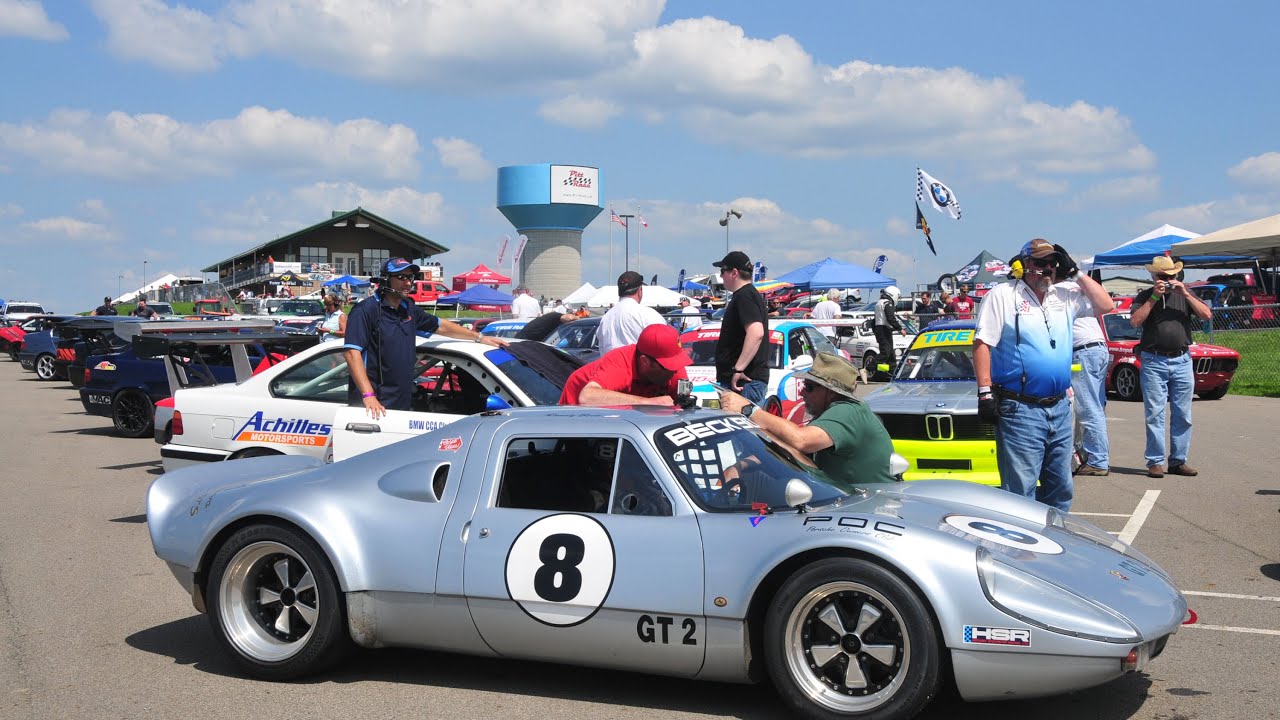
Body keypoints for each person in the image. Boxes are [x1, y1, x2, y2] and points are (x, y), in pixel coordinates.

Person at [973, 239, 1113, 511]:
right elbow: (982, 345)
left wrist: (1076, 272)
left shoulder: (1066, 294)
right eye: (1040, 263)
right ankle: (1019, 551)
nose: (1047, 268)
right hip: (1020, 408)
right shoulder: (1002, 295)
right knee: (1020, 491)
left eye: (1053, 263)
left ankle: (1055, 548)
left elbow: (1106, 305)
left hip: (1059, 406)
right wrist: (985, 392)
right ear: (1023, 264)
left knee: (1061, 488)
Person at [344, 258, 509, 419]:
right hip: (372, 408)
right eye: (401, 277)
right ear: (386, 280)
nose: (408, 283)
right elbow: (352, 354)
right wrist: (368, 395)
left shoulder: (408, 309)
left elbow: (441, 326)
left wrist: (479, 337)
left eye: (410, 277)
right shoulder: (365, 310)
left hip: (401, 405)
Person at [719, 352, 896, 488]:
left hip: (868, 508)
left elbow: (801, 441)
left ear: (831, 392)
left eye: (809, 387)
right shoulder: (831, 414)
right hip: (855, 503)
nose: (803, 392)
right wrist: (740, 466)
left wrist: (748, 409)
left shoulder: (847, 411)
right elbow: (790, 449)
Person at [1129, 255, 1212, 478]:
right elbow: (1135, 321)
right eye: (1163, 276)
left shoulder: (1184, 295)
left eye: (1171, 276)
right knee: (1154, 413)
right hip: (1154, 359)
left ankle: (1178, 460)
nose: (1167, 280)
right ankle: (1155, 461)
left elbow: (1206, 315)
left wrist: (1184, 293)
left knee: (1183, 413)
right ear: (1154, 276)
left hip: (1182, 359)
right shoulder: (1146, 295)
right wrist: (1154, 297)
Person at [559, 324, 692, 406]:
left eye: (676, 362)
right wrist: (648, 402)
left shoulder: (673, 369)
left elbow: (682, 408)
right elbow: (587, 397)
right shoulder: (620, 362)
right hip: (578, 413)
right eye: (668, 366)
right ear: (644, 361)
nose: (674, 371)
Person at [713, 251, 769, 404]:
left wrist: (738, 369)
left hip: (744, 383)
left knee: (744, 427)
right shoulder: (747, 295)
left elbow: (756, 332)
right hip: (745, 383)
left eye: (722, 271)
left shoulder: (744, 296)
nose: (721, 276)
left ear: (734, 272)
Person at [1068, 309, 1109, 476]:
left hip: (1083, 352)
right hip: (1098, 350)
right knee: (1096, 407)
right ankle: (1095, 456)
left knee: (1088, 409)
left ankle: (1098, 461)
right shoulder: (1080, 294)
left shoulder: (1059, 294)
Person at [598, 271, 665, 355]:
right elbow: (665, 345)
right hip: (636, 366)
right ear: (640, 291)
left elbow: (602, 349)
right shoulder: (647, 314)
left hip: (610, 366)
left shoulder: (605, 318)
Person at [873, 286, 906, 375]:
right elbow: (891, 318)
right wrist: (900, 329)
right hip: (884, 329)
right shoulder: (887, 303)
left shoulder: (879, 302)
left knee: (891, 354)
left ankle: (893, 373)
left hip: (879, 329)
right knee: (886, 353)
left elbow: (875, 319)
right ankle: (868, 368)